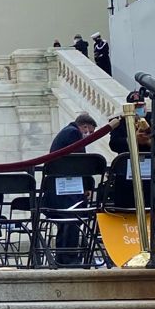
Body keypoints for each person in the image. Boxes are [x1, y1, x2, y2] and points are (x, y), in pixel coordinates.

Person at [47, 113, 97, 266]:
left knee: (66, 221)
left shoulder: (67, 132)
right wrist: (88, 184)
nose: (89, 136)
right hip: (69, 184)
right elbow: (80, 161)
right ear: (85, 127)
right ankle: (69, 257)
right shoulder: (73, 133)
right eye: (90, 132)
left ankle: (62, 257)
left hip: (62, 183)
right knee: (73, 219)